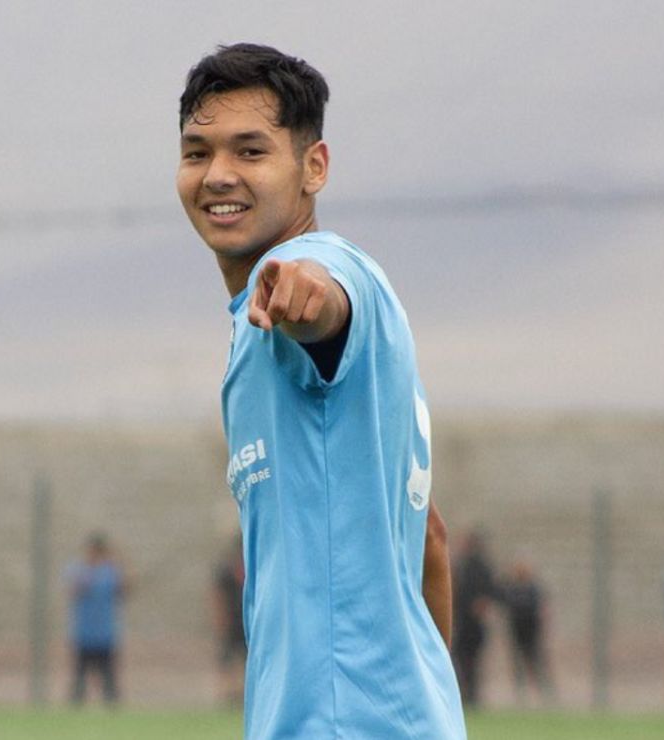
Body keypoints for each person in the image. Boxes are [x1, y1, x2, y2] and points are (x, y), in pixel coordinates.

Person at [177, 43, 465, 738]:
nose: (218, 174)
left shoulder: (308, 269)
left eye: (250, 151)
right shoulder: (281, 315)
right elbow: (429, 538)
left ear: (314, 167)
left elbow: (326, 299)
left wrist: (308, 296)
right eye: (196, 152)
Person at [66, 532, 128, 706]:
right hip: (84, 634)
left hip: (105, 634)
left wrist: (120, 561)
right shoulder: (79, 570)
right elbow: (73, 590)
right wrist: (90, 572)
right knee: (79, 677)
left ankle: (111, 707)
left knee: (108, 677)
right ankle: (75, 707)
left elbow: (125, 589)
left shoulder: (111, 572)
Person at [498, 557, 554, 706]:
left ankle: (544, 692)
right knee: (518, 665)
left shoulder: (533, 589)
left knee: (536, 662)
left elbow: (542, 608)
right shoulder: (511, 589)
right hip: (517, 632)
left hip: (531, 632)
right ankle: (521, 694)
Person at [452, 529, 496, 708]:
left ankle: (471, 695)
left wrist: (482, 603)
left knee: (470, 659)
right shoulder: (462, 566)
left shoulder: (480, 567)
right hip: (464, 621)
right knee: (463, 659)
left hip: (473, 623)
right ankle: (467, 693)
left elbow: (490, 591)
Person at [211, 533, 246, 708]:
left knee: (246, 658)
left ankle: (243, 692)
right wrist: (221, 621)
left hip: (247, 622)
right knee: (228, 659)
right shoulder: (226, 571)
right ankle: (228, 693)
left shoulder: (252, 569)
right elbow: (218, 597)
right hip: (232, 622)